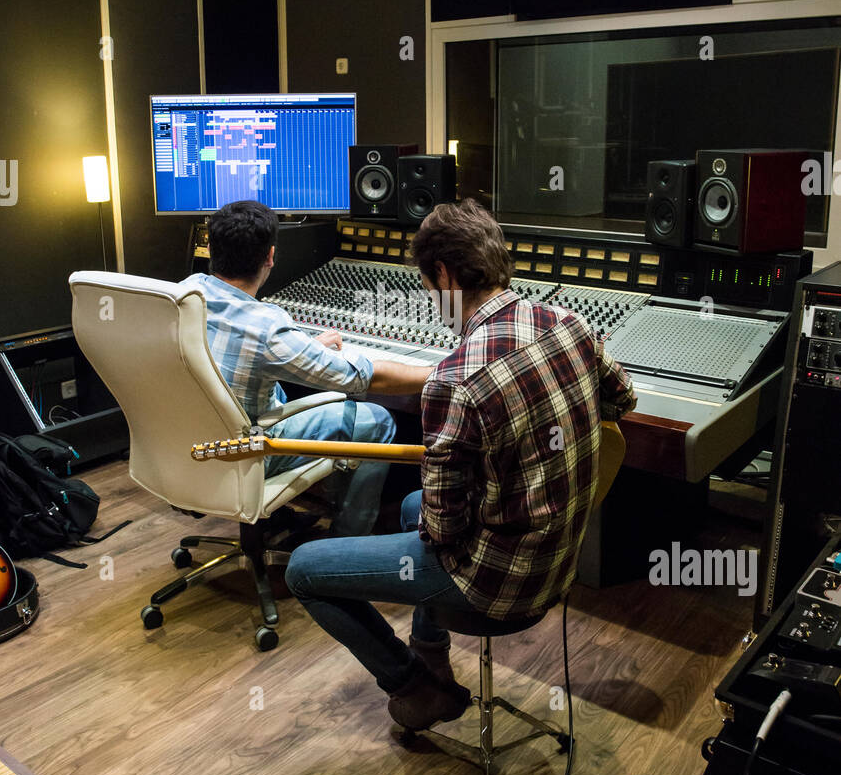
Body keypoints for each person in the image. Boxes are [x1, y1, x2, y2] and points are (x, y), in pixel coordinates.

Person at [286, 198, 637, 730]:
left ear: (444, 274)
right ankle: (430, 648)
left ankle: (415, 686)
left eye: (429, 287)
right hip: (559, 562)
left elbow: (444, 531)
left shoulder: (455, 381)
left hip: (497, 585)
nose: (430, 299)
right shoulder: (570, 323)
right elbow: (623, 400)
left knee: (304, 568)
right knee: (410, 505)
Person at [183, 200, 430, 538]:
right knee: (379, 420)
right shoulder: (267, 328)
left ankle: (274, 521)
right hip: (244, 454)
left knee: (275, 389)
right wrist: (441, 370)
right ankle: (344, 546)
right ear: (270, 256)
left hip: (186, 448)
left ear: (210, 248)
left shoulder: (183, 293)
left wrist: (307, 349)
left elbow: (250, 353)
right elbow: (363, 378)